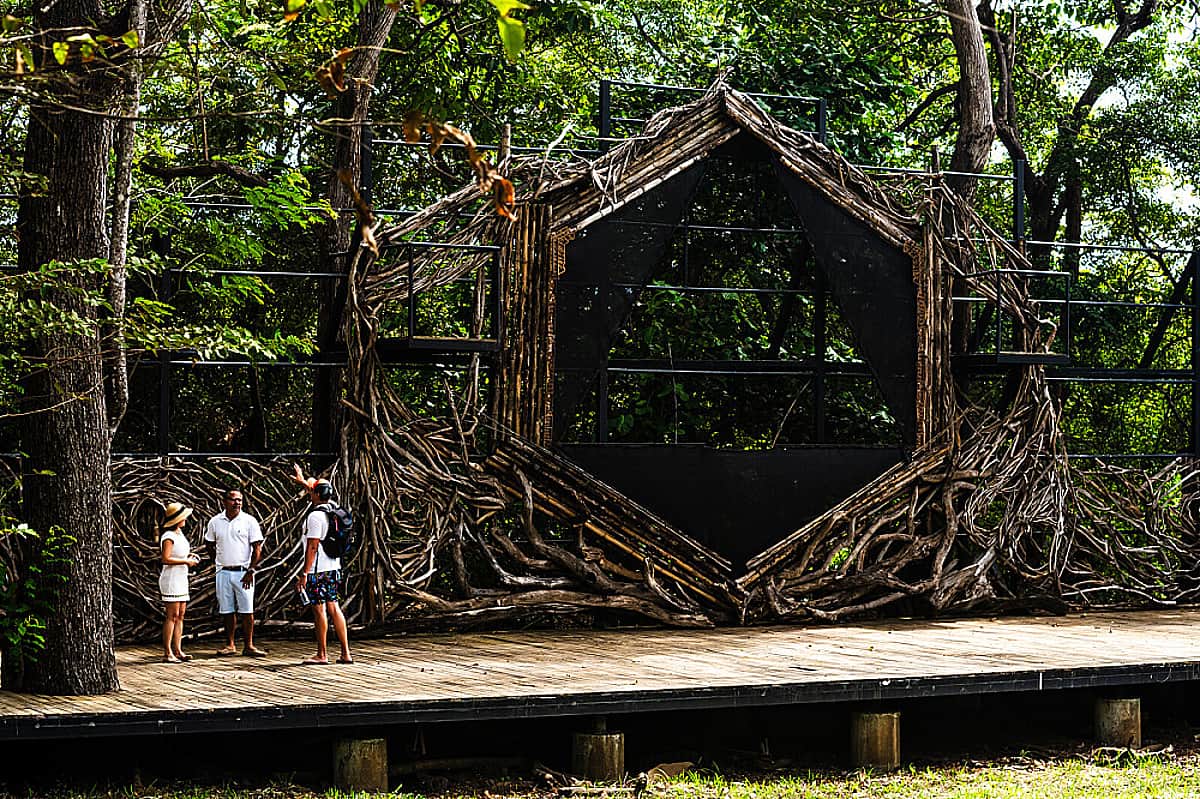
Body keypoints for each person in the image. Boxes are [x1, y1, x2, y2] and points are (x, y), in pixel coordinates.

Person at [291, 465, 352, 665]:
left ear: (316, 494)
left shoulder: (315, 517)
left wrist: (305, 573)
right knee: (334, 607)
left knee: (319, 610)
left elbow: (312, 547)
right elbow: (316, 489)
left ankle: (322, 654)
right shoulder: (333, 507)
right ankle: (345, 653)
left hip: (318, 570)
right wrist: (303, 481)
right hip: (334, 568)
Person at [205, 487, 268, 657]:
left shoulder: (249, 521)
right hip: (223, 571)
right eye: (233, 499)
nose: (237, 503)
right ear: (224, 501)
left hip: (244, 572)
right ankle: (230, 644)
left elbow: (257, 548)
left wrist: (251, 569)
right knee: (227, 609)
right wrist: (217, 561)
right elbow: (209, 543)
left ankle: (249, 645)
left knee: (247, 609)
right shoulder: (215, 521)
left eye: (239, 500)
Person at [158, 501, 201, 663]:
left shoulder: (179, 534)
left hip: (181, 577)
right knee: (172, 615)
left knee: (181, 614)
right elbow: (166, 558)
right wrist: (185, 562)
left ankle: (178, 649)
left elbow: (180, 555)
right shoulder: (168, 536)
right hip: (171, 579)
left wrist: (189, 558)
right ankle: (167, 652)